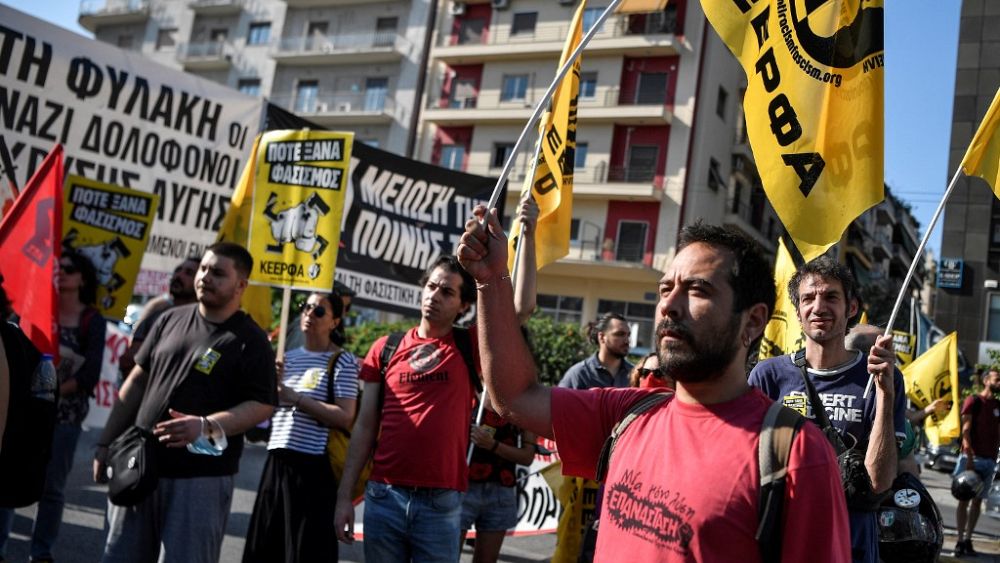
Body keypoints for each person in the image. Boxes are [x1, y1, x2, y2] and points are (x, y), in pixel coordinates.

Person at [458, 209, 851, 561]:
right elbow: (513, 397)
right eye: (666, 289)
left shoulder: (796, 452)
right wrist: (492, 280)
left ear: (752, 321)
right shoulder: (627, 414)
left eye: (697, 290)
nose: (669, 305)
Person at [93, 242, 277, 563]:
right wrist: (106, 442)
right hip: (141, 466)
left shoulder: (251, 340)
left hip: (201, 478)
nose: (205, 277)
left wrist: (206, 426)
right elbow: (137, 382)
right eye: (204, 269)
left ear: (241, 285)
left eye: (218, 273)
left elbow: (262, 405)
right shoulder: (168, 319)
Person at [749, 258, 906, 563]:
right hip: (780, 534)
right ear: (797, 312)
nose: (818, 307)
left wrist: (885, 395)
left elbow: (879, 482)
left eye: (831, 297)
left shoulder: (881, 376)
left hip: (851, 540)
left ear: (851, 308)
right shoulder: (767, 375)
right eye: (808, 298)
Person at [0, 250, 107, 563]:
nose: (61, 273)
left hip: (64, 417)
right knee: (6, 475)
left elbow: (90, 374)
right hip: (22, 412)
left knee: (52, 486)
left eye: (69, 269)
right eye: (56, 268)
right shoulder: (33, 310)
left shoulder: (91, 320)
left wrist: (55, 389)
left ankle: (41, 551)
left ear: (83, 278)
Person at [243, 291, 359, 563]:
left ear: (334, 321)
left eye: (319, 311)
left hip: (313, 466)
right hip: (278, 460)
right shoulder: (288, 358)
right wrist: (269, 388)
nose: (309, 314)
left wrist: (296, 398)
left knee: (304, 549)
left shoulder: (341, 361)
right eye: (305, 307)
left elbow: (345, 416)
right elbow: (266, 412)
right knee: (267, 546)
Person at [460, 196, 539, 563]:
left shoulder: (521, 384)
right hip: (457, 481)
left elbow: (521, 304)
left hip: (500, 487)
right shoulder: (465, 349)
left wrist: (529, 232)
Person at [119, 257, 199, 377]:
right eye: (178, 270)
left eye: (189, 273)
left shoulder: (205, 326)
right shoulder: (156, 318)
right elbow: (129, 361)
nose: (178, 276)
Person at [952, 368, 1000, 556]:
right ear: (986, 380)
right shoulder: (974, 401)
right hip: (971, 459)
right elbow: (965, 431)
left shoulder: (997, 404)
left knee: (978, 502)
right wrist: (969, 458)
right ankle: (958, 540)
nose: (999, 383)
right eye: (997, 379)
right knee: (964, 501)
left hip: (989, 461)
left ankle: (968, 540)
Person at [558, 312, 632, 389]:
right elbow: (559, 399)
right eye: (620, 334)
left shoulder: (635, 375)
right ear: (602, 337)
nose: (627, 341)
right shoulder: (580, 374)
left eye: (628, 335)